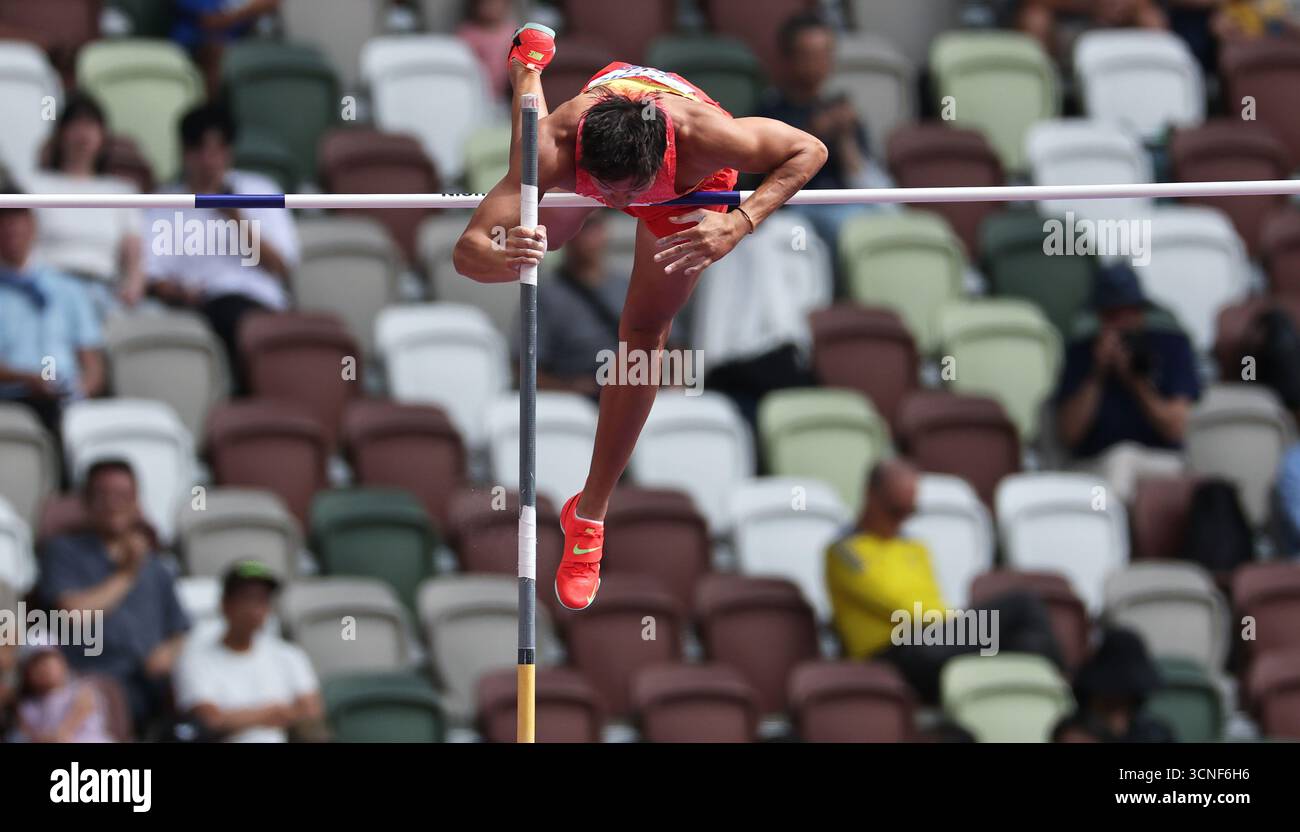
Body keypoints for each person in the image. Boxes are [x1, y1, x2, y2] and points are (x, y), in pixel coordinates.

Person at [453, 23, 828, 611]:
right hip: (583, 159)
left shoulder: (708, 137)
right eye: (613, 195)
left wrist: (741, 221)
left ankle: (590, 516)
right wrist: (505, 259)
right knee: (542, 235)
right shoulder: (554, 144)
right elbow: (468, 252)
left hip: (686, 189)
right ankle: (527, 73)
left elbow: (811, 149)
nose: (623, 208)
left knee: (644, 336)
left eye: (631, 194)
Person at [826, 458, 1064, 704]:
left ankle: (1042, 705)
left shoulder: (915, 547)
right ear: (872, 497)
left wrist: (956, 626)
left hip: (934, 639)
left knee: (1024, 644)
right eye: (894, 511)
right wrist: (959, 623)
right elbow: (900, 605)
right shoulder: (845, 552)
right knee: (1022, 603)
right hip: (890, 651)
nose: (899, 522)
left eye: (909, 512)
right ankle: (1069, 688)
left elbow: (928, 600)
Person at [144, 103, 300, 390]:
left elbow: (281, 266)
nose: (209, 160)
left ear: (230, 152)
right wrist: (179, 293)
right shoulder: (163, 204)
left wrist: (236, 216)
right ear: (184, 153)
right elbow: (153, 278)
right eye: (199, 150)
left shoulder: (260, 191)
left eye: (217, 149)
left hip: (260, 304)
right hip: (201, 305)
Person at [37, 459, 190, 728]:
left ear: (137, 503)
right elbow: (74, 615)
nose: (114, 504)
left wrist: (168, 652)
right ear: (85, 502)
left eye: (123, 495)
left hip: (149, 684)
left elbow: (180, 630)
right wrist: (126, 575)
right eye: (103, 495)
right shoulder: (63, 551)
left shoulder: (156, 566)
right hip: (89, 679)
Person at [1054, 264, 1201, 502]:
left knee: (1126, 461)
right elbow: (1069, 434)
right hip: (1095, 463)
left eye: (1129, 314)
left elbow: (1175, 427)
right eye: (1113, 316)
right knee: (1121, 462)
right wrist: (1097, 374)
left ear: (1141, 313)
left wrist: (1135, 382)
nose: (1122, 325)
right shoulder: (1081, 354)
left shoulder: (1171, 347)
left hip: (1162, 461)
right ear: (1100, 317)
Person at [757, 11, 885, 248]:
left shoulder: (841, 109)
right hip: (796, 208)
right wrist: (813, 134)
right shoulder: (769, 113)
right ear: (788, 58)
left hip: (846, 200)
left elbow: (864, 178)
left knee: (890, 218)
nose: (820, 63)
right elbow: (767, 182)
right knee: (847, 224)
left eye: (825, 54)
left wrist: (845, 136)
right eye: (809, 55)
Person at [22, 91, 146, 318]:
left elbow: (134, 254)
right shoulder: (33, 185)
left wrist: (132, 288)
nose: (82, 135)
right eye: (75, 126)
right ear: (61, 134)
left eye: (90, 126)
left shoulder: (121, 190)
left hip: (104, 292)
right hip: (49, 289)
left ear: (103, 136)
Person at [174, 560, 325, 743]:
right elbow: (209, 719)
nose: (255, 609)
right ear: (225, 604)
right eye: (247, 598)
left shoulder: (289, 655)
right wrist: (274, 712)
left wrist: (237, 718)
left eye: (263, 600)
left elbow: (311, 713)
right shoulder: (195, 658)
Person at [0, 190, 106, 437]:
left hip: (66, 400)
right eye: (3, 219)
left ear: (33, 225)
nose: (11, 228)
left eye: (18, 217)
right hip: (11, 398)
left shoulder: (67, 288)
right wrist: (28, 379)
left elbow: (92, 363)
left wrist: (80, 390)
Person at [513, 210, 630, 397]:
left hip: (630, 388)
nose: (583, 233)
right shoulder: (543, 294)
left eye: (591, 223)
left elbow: (669, 347)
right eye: (576, 224)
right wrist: (570, 389)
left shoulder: (628, 286)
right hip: (572, 400)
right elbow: (523, 369)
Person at [1052, 627, 1174, 743]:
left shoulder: (1155, 736)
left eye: (1123, 705)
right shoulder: (1073, 734)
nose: (1116, 719)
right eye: (1107, 705)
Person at [12, 635, 116, 743]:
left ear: (62, 662)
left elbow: (83, 708)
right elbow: (29, 735)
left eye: (48, 661)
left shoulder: (81, 689)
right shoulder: (28, 706)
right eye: (36, 665)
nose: (44, 669)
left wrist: (62, 732)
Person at [171, 0, 281, 97]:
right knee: (217, 51)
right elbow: (211, 22)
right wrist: (254, 8)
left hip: (238, 45)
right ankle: (212, 113)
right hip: (193, 45)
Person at [1019, 0, 1169, 62]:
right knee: (1035, 19)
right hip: (1065, 23)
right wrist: (1091, 5)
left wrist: (1131, 4)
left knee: (1151, 18)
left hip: (1119, 18)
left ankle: (1155, 95)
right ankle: (1047, 97)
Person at [457, 0, 520, 105]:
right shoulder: (467, 34)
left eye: (497, 3)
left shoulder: (513, 32)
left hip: (506, 95)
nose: (491, 7)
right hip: (475, 94)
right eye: (486, 3)